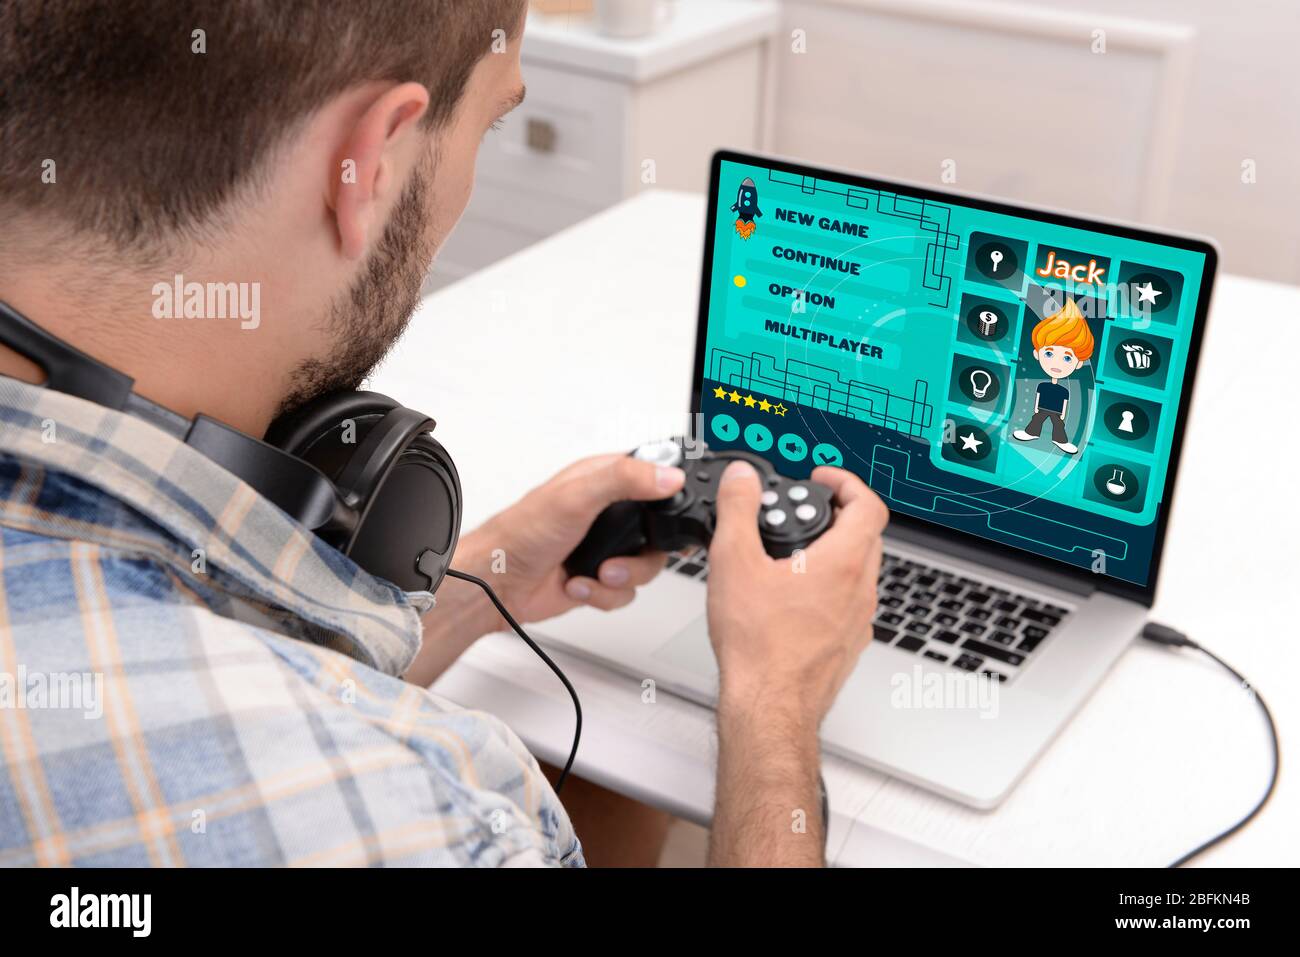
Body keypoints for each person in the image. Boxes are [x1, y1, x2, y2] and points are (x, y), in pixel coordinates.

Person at [0, 0, 886, 867]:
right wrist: (777, 699)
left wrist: (476, 581)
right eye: (488, 125)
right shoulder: (425, 819)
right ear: (367, 162)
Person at [1011, 298, 1095, 455]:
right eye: (1049, 353)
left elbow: (1064, 404)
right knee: (1037, 419)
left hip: (1056, 412)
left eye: (1067, 358)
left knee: (1058, 425)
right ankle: (1031, 433)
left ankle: (1060, 440)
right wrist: (1036, 408)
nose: (1057, 363)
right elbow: (1037, 398)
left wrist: (1062, 414)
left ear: (1078, 364)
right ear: (1037, 354)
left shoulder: (1064, 391)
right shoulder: (1042, 386)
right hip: (1042, 409)